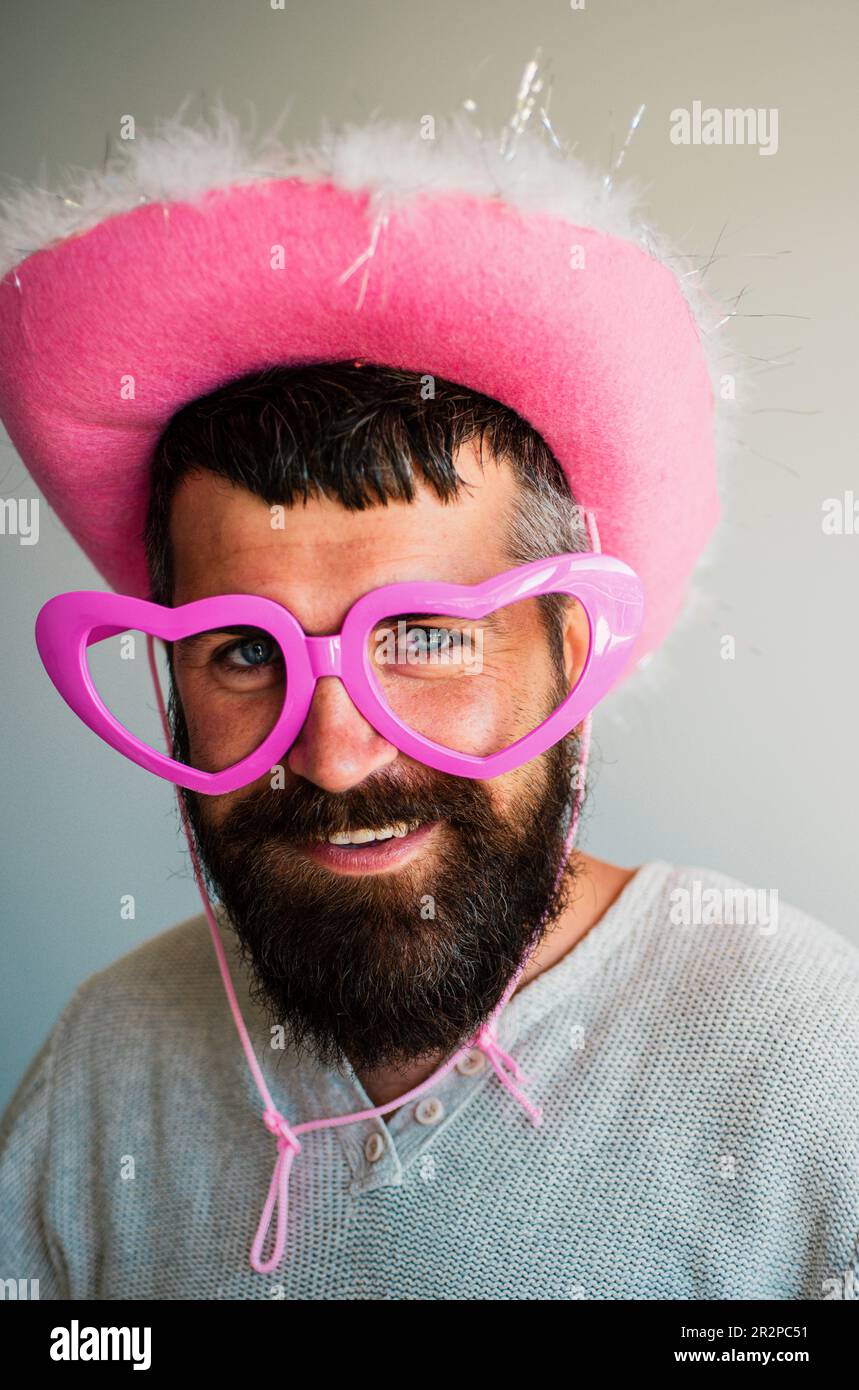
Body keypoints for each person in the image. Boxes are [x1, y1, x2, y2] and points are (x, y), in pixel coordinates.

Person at [0, 110, 857, 1302]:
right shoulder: (102, 1064)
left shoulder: (816, 1062)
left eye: (422, 636)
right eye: (244, 651)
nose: (337, 756)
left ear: (570, 653)